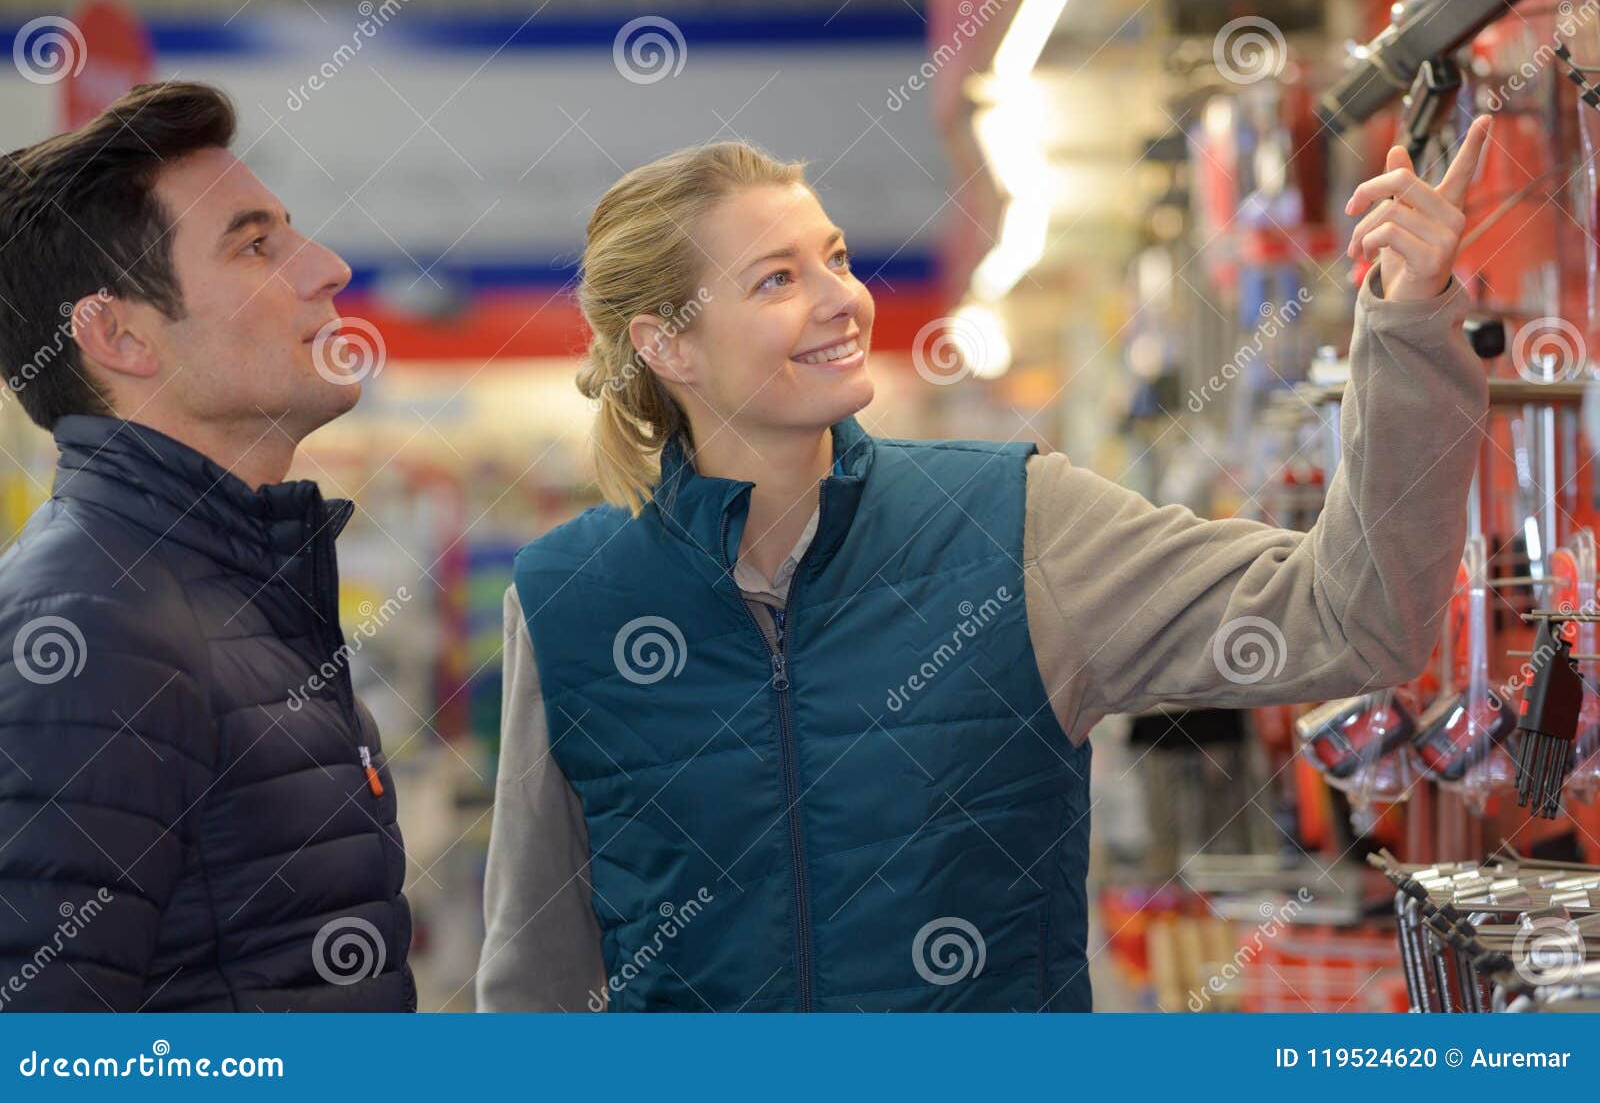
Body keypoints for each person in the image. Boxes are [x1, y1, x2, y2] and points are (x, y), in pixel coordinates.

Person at [478, 120, 1492, 1012]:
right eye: (777, 278)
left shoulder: (1015, 523)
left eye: (834, 257)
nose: (843, 300)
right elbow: (537, 979)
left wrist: (1406, 324)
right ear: (668, 346)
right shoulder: (572, 599)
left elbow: (1352, 616)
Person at [0, 81, 414, 1011]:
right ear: (118, 335)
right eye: (256, 245)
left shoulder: (234, 589)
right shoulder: (91, 626)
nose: (330, 267)